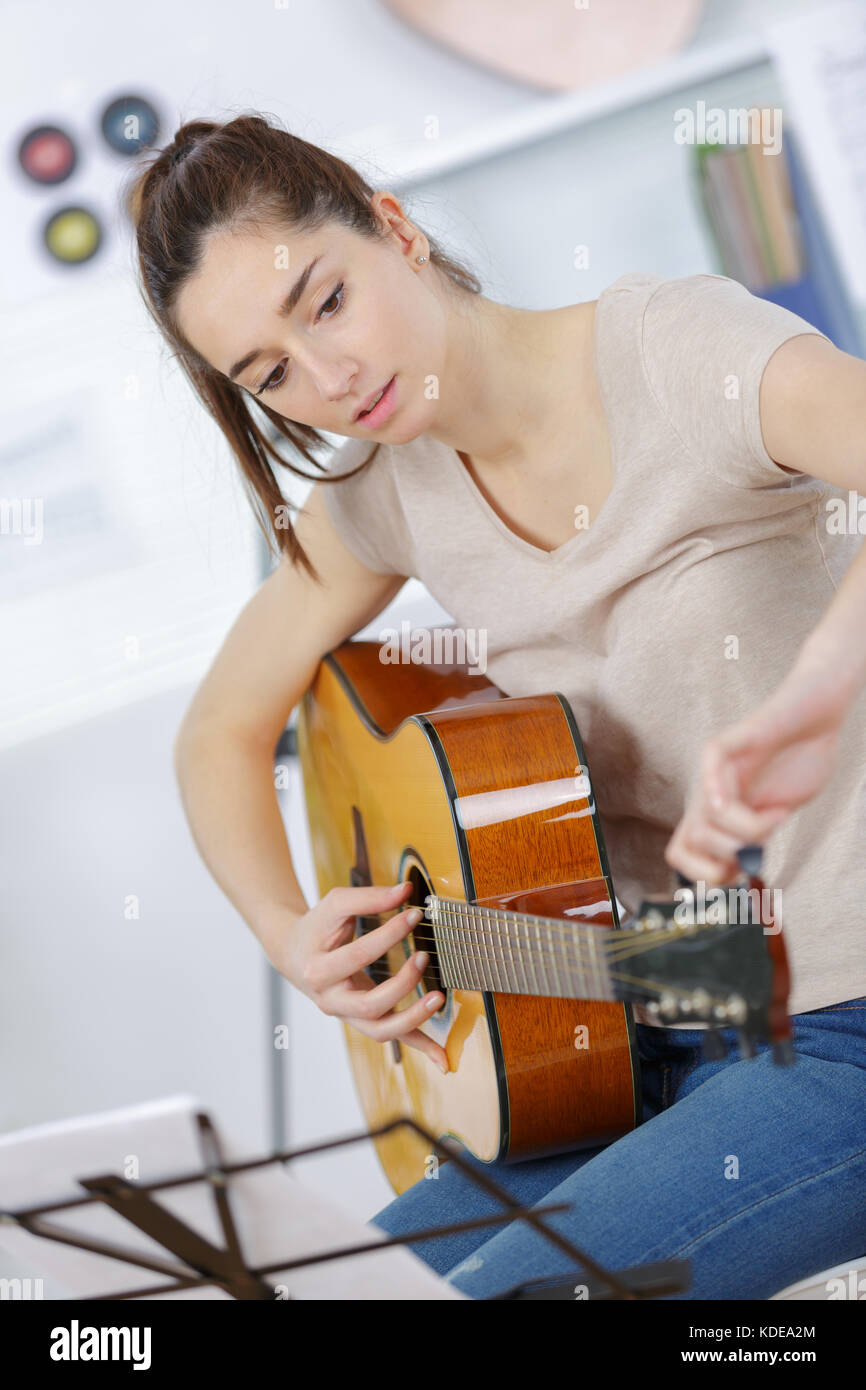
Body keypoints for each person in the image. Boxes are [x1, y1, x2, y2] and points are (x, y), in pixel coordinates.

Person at [129, 112, 866, 1300]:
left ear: (391, 226)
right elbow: (217, 729)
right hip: (640, 1034)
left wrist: (825, 680)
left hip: (841, 1021)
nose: (327, 379)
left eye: (325, 303)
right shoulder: (387, 490)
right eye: (267, 373)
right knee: (309, 1290)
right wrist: (290, 935)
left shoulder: (673, 348)